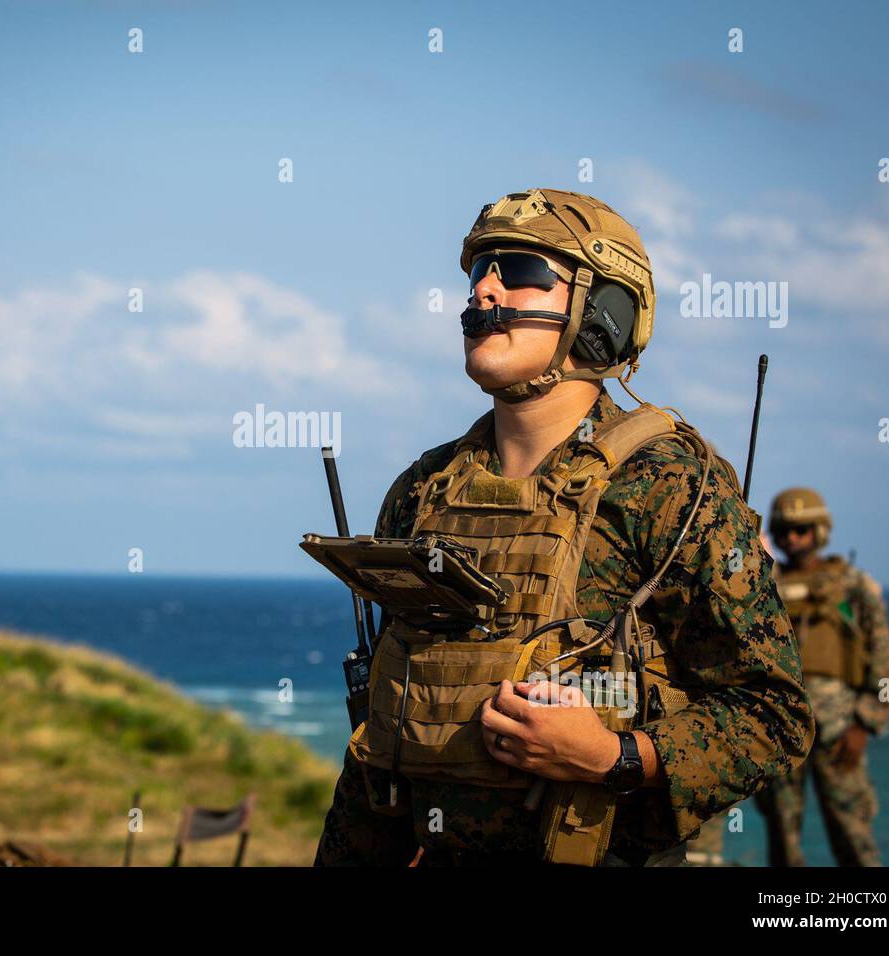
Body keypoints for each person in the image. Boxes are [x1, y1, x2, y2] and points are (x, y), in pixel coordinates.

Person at [314, 188, 813, 867]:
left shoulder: (669, 486)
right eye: (477, 270)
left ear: (601, 312)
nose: (482, 291)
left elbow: (773, 716)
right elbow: (382, 730)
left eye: (519, 270)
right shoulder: (423, 491)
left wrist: (613, 757)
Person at [756, 488, 889, 866]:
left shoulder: (852, 585)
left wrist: (865, 725)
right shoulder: (766, 586)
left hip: (838, 730)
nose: (792, 538)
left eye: (801, 529)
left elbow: (883, 664)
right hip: (780, 727)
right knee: (782, 835)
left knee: (852, 831)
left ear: (819, 530)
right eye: (784, 530)